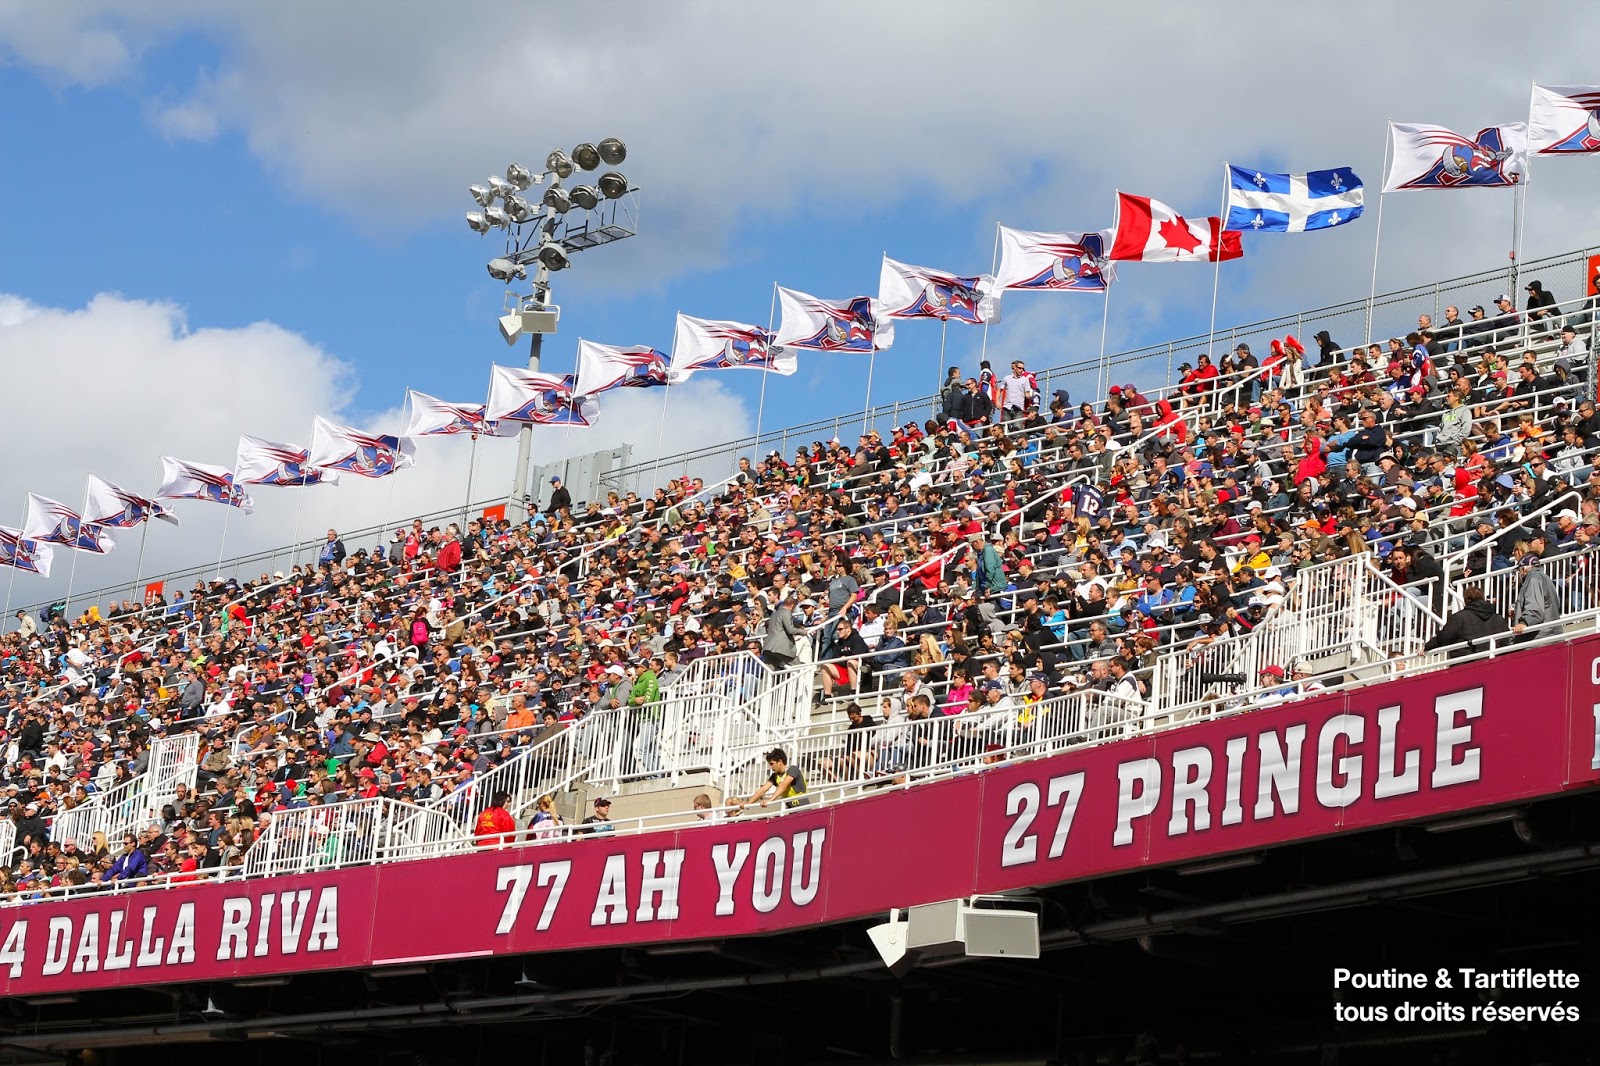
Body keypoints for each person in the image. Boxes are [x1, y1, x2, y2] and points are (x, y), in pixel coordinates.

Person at [1423, 586, 1509, 659]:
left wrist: (1427, 647)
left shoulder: (1459, 617)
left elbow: (1444, 637)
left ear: (1466, 600)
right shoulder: (1499, 619)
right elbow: (1507, 642)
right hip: (1494, 662)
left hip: (1466, 663)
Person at [1511, 553, 1561, 642]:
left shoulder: (1533, 579)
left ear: (1524, 569)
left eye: (1519, 570)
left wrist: (1524, 622)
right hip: (1550, 635)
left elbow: (1534, 608)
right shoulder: (1546, 578)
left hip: (1539, 639)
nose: (1519, 574)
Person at [739, 748, 809, 810]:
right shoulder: (775, 776)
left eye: (772, 764)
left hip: (803, 807)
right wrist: (748, 803)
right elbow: (763, 790)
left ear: (780, 762)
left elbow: (784, 785)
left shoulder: (793, 769)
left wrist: (770, 800)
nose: (770, 767)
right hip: (791, 809)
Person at [762, 592, 805, 670]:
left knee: (768, 672)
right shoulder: (786, 612)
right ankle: (808, 680)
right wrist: (803, 632)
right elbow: (790, 629)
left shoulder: (774, 614)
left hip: (769, 647)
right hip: (781, 647)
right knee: (799, 667)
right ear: (792, 606)